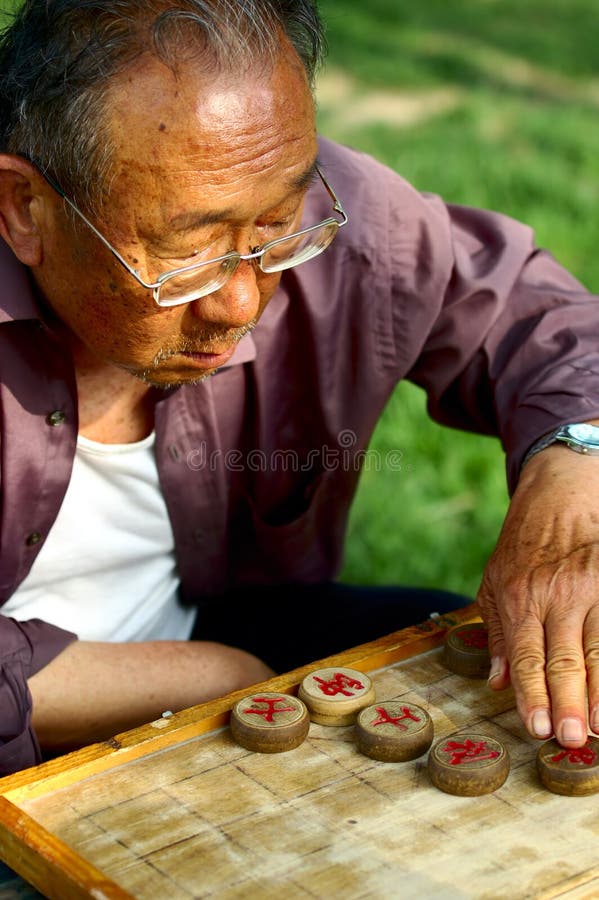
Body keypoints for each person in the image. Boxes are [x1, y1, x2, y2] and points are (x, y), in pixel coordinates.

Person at [0, 0, 598, 776]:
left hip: (226, 620)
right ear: (25, 209)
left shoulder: (320, 202)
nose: (240, 304)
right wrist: (217, 679)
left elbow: (531, 313)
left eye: (278, 229)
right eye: (187, 257)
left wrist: (575, 458)